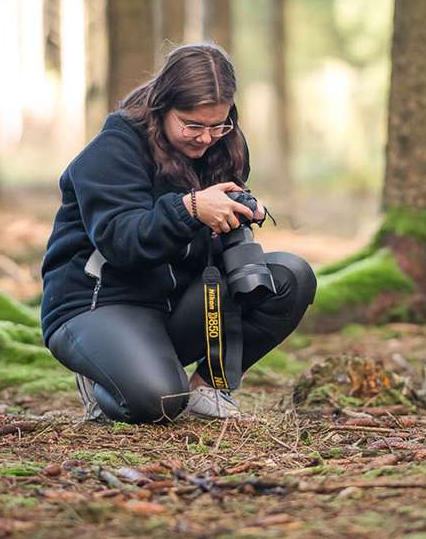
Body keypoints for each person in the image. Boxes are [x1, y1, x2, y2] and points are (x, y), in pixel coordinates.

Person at [40, 43, 316, 424]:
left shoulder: (223, 147)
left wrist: (236, 210)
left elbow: (212, 230)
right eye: (193, 126)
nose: (206, 138)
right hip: (99, 304)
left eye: (218, 124)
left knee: (290, 276)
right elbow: (122, 242)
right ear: (162, 107)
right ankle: (105, 374)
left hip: (176, 303)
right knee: (160, 401)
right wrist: (190, 208)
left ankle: (209, 387)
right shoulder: (112, 150)